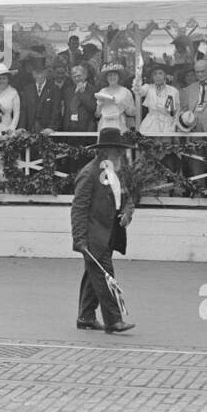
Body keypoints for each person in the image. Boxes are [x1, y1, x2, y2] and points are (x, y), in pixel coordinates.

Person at [70, 127, 136, 334]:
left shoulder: (114, 172)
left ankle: (86, 317)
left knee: (94, 275)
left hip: (110, 233)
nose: (120, 154)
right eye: (117, 150)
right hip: (94, 235)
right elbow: (78, 209)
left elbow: (127, 199)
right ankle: (114, 320)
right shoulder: (89, 174)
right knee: (106, 275)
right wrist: (79, 239)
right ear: (106, 151)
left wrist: (127, 212)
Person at [132, 60, 180, 136]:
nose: (157, 76)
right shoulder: (148, 88)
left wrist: (173, 126)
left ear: (165, 75)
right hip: (150, 124)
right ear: (152, 77)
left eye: (160, 73)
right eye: (155, 74)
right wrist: (137, 78)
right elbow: (138, 91)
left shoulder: (173, 91)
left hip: (167, 125)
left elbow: (176, 112)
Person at [20, 58, 63, 134]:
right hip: (30, 129)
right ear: (33, 74)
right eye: (37, 73)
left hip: (48, 131)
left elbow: (56, 110)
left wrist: (51, 127)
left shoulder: (54, 89)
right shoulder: (27, 89)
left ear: (46, 73)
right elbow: (24, 110)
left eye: (41, 73)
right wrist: (22, 127)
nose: (39, 76)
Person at [93, 62, 136, 132]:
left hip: (119, 122)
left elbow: (132, 113)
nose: (112, 77)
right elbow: (97, 115)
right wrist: (100, 105)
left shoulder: (125, 91)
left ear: (119, 77)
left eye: (114, 75)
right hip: (104, 123)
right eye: (110, 75)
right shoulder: (102, 91)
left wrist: (122, 104)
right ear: (106, 78)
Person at [60, 64, 98, 133]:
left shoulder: (93, 90)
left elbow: (93, 108)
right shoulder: (68, 91)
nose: (77, 79)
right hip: (69, 128)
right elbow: (66, 111)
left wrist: (83, 93)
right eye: (74, 77)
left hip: (86, 129)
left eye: (79, 76)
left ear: (85, 75)